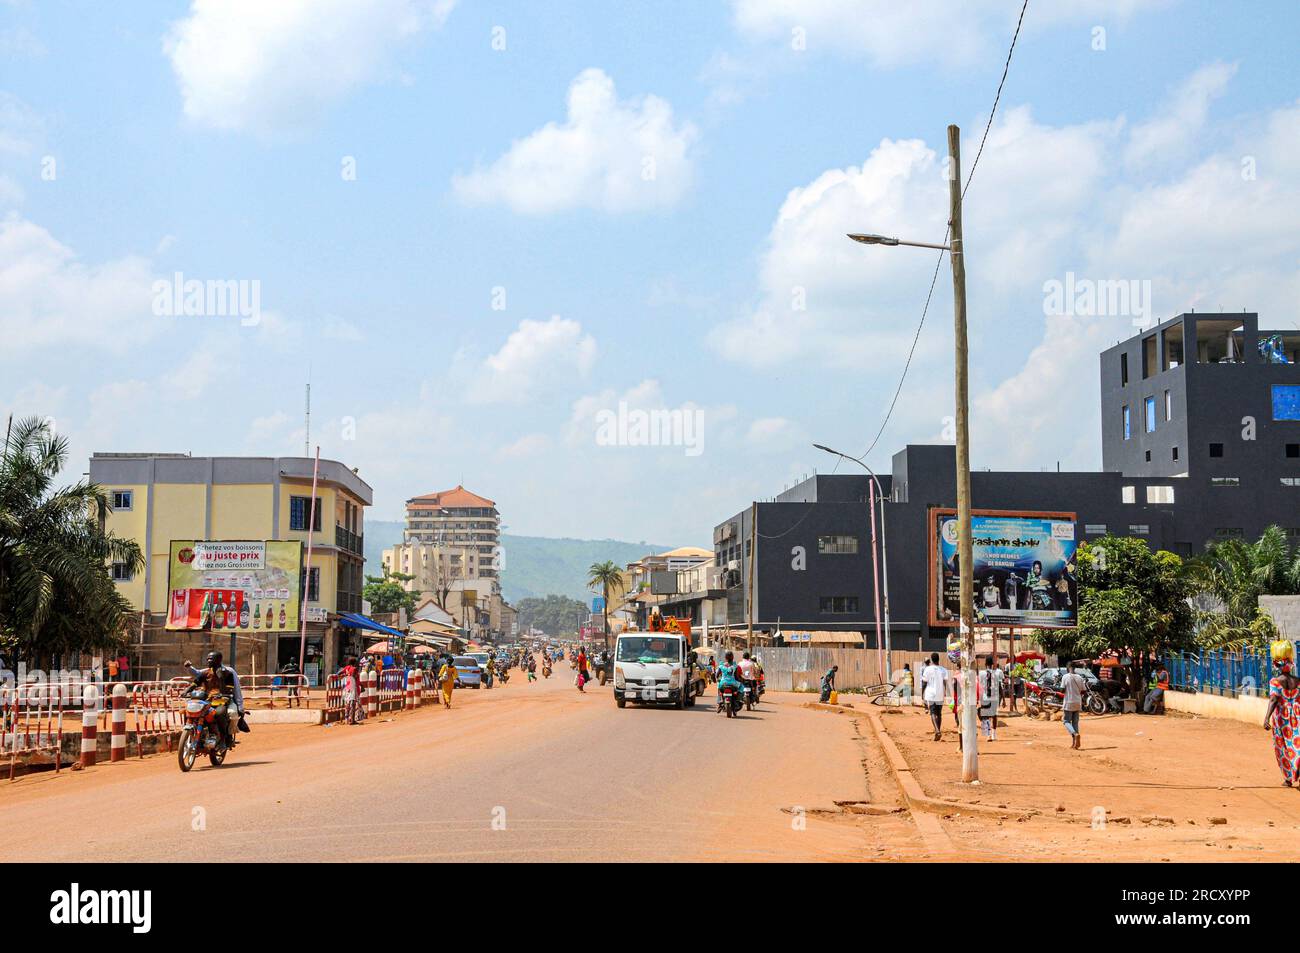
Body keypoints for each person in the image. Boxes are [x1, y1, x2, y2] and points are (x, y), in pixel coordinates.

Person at [183, 651, 245, 748]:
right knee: (189, 710)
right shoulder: (206, 672)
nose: (208, 661)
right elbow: (196, 681)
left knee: (222, 713)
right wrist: (186, 691)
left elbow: (231, 689)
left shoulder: (228, 673)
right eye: (207, 659)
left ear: (218, 660)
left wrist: (239, 705)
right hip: (207, 700)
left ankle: (224, 738)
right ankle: (192, 732)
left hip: (223, 701)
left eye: (210, 659)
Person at [1265, 642, 1300, 786]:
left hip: (1282, 718)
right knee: (1297, 743)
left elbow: (1273, 699)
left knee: (1283, 746)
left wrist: (1266, 718)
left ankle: (1288, 778)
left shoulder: (1275, 681)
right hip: (1297, 715)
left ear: (1276, 664)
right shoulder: (1297, 681)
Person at [920, 652, 948, 741]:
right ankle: (938, 731)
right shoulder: (943, 670)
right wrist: (945, 691)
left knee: (932, 712)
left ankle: (937, 730)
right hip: (940, 694)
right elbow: (945, 683)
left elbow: (924, 683)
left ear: (931, 660)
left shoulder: (927, 669)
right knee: (939, 713)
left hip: (931, 694)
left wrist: (922, 693)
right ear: (938, 659)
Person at [1059, 661, 1087, 750]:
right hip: (1077, 702)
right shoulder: (1079, 677)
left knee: (1066, 721)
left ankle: (1075, 734)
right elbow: (1083, 690)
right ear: (1075, 668)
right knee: (1075, 723)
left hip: (1068, 702)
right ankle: (1075, 744)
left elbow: (1062, 690)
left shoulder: (1065, 677)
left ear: (1068, 668)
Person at [978, 655, 1002, 741]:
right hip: (994, 697)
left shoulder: (981, 673)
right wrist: (1002, 698)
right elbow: (999, 686)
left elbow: (980, 687)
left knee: (986, 716)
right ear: (992, 664)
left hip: (985, 697)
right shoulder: (997, 673)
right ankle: (994, 735)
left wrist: (979, 698)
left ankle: (988, 735)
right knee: (994, 715)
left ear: (985, 664)